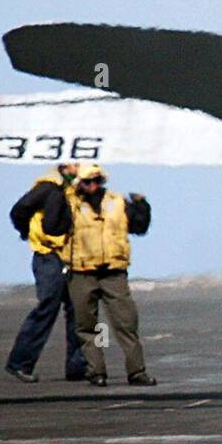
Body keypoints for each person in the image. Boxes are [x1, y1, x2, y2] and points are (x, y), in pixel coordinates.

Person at [61, 164, 156, 387]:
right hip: (81, 272)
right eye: (87, 181)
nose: (92, 186)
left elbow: (139, 227)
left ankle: (137, 371)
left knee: (126, 323)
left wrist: (143, 206)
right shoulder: (69, 203)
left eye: (96, 181)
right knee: (86, 326)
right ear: (79, 183)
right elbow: (51, 225)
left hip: (114, 272)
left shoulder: (117, 202)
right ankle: (96, 372)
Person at [5, 164, 87, 383]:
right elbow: (19, 210)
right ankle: (20, 362)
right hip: (48, 256)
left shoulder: (75, 189)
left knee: (78, 308)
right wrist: (28, 233)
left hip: (72, 256)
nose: (78, 167)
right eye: (75, 162)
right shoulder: (49, 187)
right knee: (47, 306)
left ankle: (77, 366)